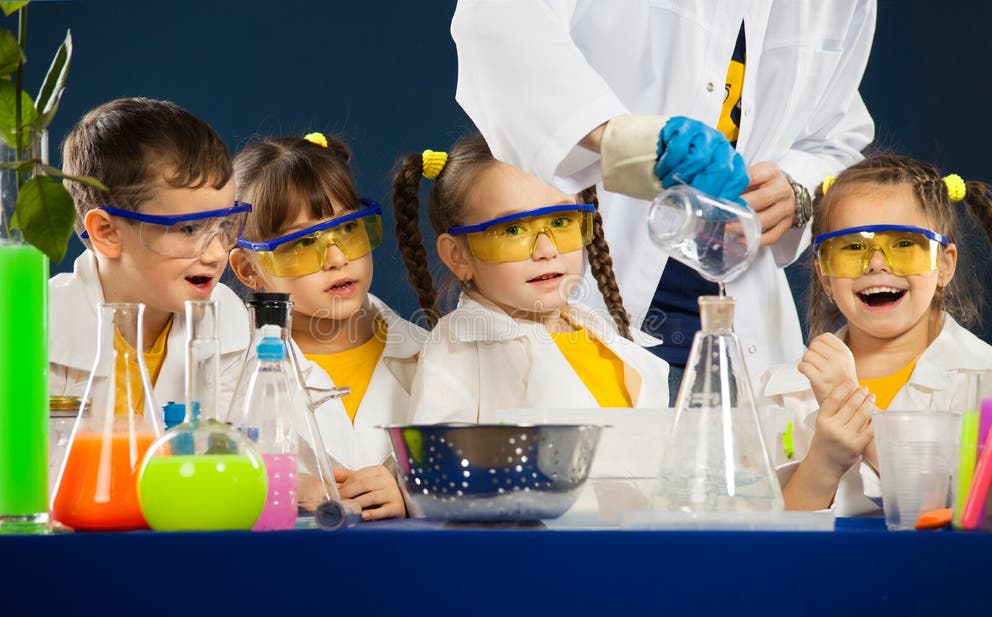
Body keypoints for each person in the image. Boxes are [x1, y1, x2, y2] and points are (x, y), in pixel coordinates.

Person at [451, 1, 877, 398]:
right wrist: (622, 139)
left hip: (742, 324)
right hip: (582, 294)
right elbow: (497, 26)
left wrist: (796, 188)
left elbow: (837, 136)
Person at [760, 154, 992, 515]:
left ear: (944, 264)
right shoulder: (779, 391)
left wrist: (860, 422)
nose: (876, 263)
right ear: (824, 274)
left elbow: (969, 513)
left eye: (904, 245)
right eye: (852, 248)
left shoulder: (983, 379)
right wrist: (824, 459)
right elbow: (761, 536)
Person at [393, 135, 670, 423]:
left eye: (561, 221)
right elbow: (439, 463)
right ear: (458, 256)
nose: (546, 251)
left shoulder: (599, 330)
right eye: (512, 230)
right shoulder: (456, 353)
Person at [229, 132, 423, 520]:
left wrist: (413, 491)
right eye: (302, 243)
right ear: (249, 269)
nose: (335, 258)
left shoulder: (432, 356)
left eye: (347, 230)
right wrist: (281, 488)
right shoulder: (227, 370)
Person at [50, 97, 250, 408]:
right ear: (107, 232)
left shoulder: (230, 321)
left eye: (225, 224)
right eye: (189, 229)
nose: (215, 254)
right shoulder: (37, 328)